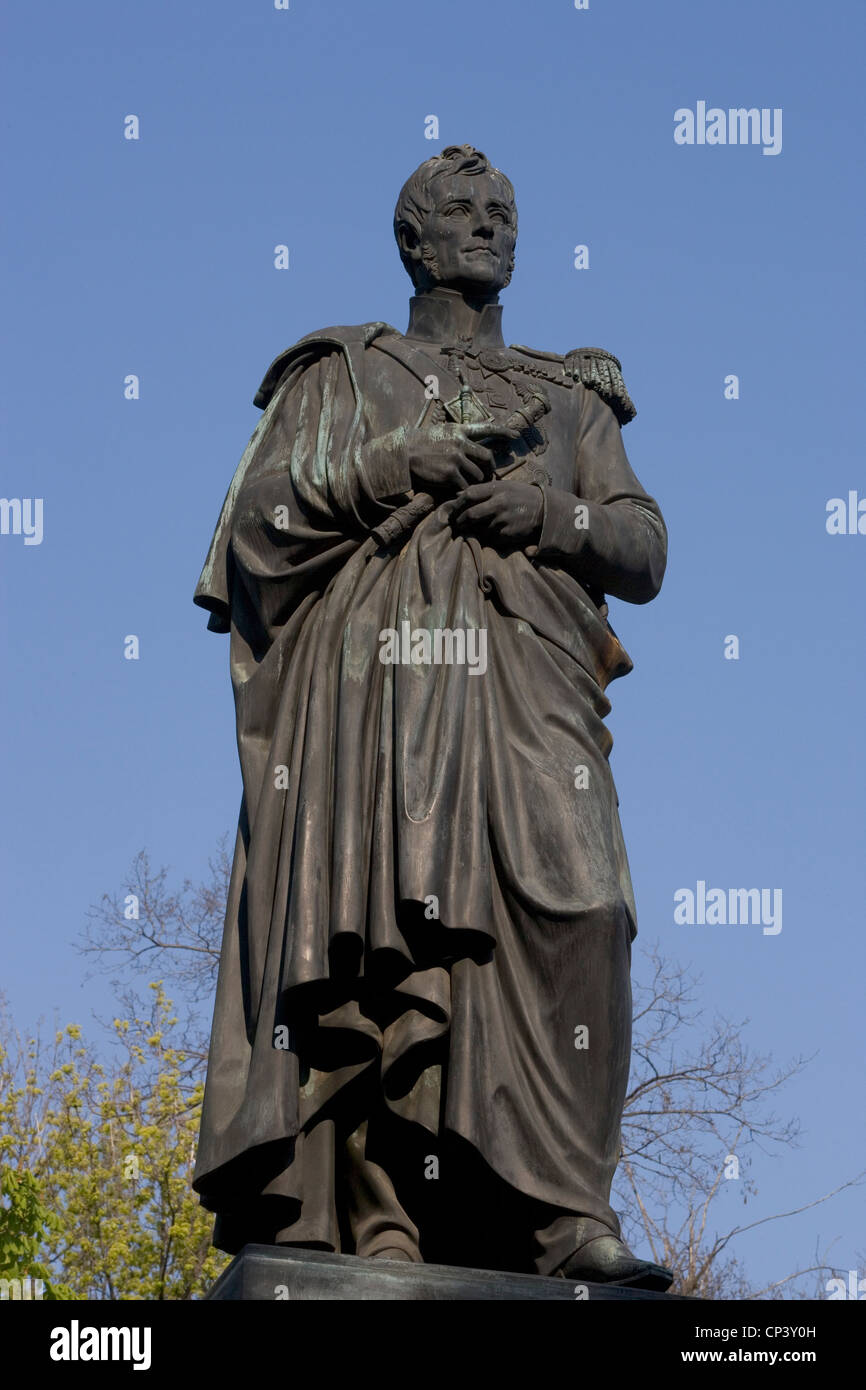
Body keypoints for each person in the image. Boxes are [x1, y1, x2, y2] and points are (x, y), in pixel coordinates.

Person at [192, 144, 671, 1288]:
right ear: (410, 237)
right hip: (379, 689)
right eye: (459, 208)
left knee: (587, 909)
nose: (485, 224)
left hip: (527, 680)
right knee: (393, 923)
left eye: (502, 211)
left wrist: (549, 512)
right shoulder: (336, 375)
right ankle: (388, 1208)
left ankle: (564, 1211)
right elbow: (255, 532)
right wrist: (400, 462)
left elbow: (643, 548)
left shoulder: (569, 393)